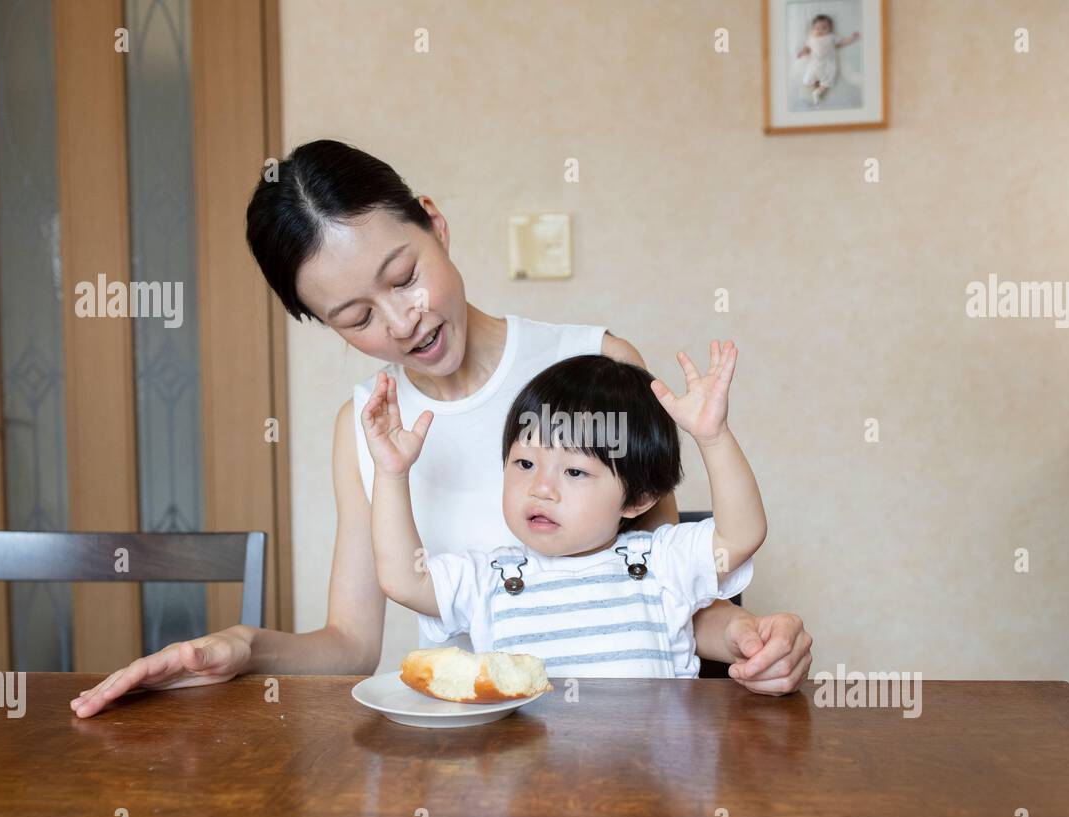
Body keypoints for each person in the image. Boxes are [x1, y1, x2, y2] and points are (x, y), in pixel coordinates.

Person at [70, 140, 813, 718]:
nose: (403, 322)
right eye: (356, 318)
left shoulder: (596, 363)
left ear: (437, 223)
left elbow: (657, 583)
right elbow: (351, 649)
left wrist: (760, 641)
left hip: (629, 754)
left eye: (403, 277)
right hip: (483, 758)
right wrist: (242, 645)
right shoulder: (368, 430)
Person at [362, 347, 762, 677]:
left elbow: (741, 536)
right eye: (524, 464)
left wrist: (714, 438)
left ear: (637, 499)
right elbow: (404, 581)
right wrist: (392, 473)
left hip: (647, 773)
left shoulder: (661, 562)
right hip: (526, 773)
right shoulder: (493, 579)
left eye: (574, 471)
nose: (541, 488)